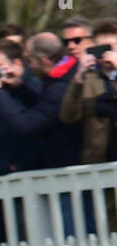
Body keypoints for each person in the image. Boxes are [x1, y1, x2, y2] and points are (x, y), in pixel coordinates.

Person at [0, 32, 82, 170]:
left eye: (30, 61)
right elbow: (43, 108)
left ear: (45, 61)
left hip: (69, 170)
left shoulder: (62, 87)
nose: (28, 66)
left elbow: (27, 125)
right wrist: (19, 87)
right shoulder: (62, 79)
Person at [0, 39, 45, 174]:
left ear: (16, 64)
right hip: (0, 173)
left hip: (27, 172)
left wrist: (19, 165)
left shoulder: (36, 86)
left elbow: (28, 126)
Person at [60, 18, 117, 164]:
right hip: (98, 165)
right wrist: (78, 78)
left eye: (112, 47)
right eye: (103, 48)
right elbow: (68, 116)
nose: (108, 53)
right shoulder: (88, 79)